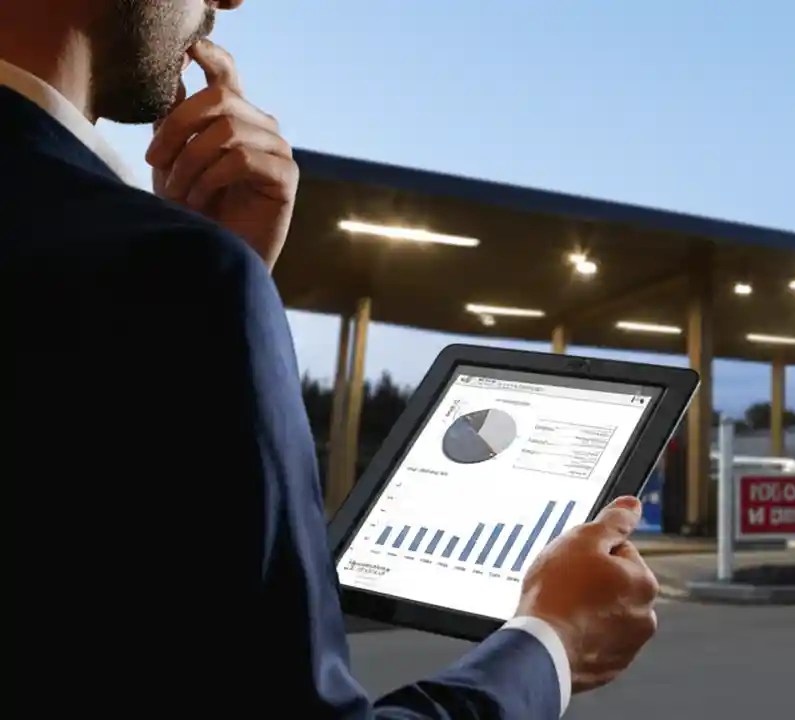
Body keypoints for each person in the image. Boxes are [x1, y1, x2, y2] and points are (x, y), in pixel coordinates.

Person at [1, 2, 658, 718]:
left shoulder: (134, 272)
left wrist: (203, 316)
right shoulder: (161, 271)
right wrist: (552, 640)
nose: (228, 0)